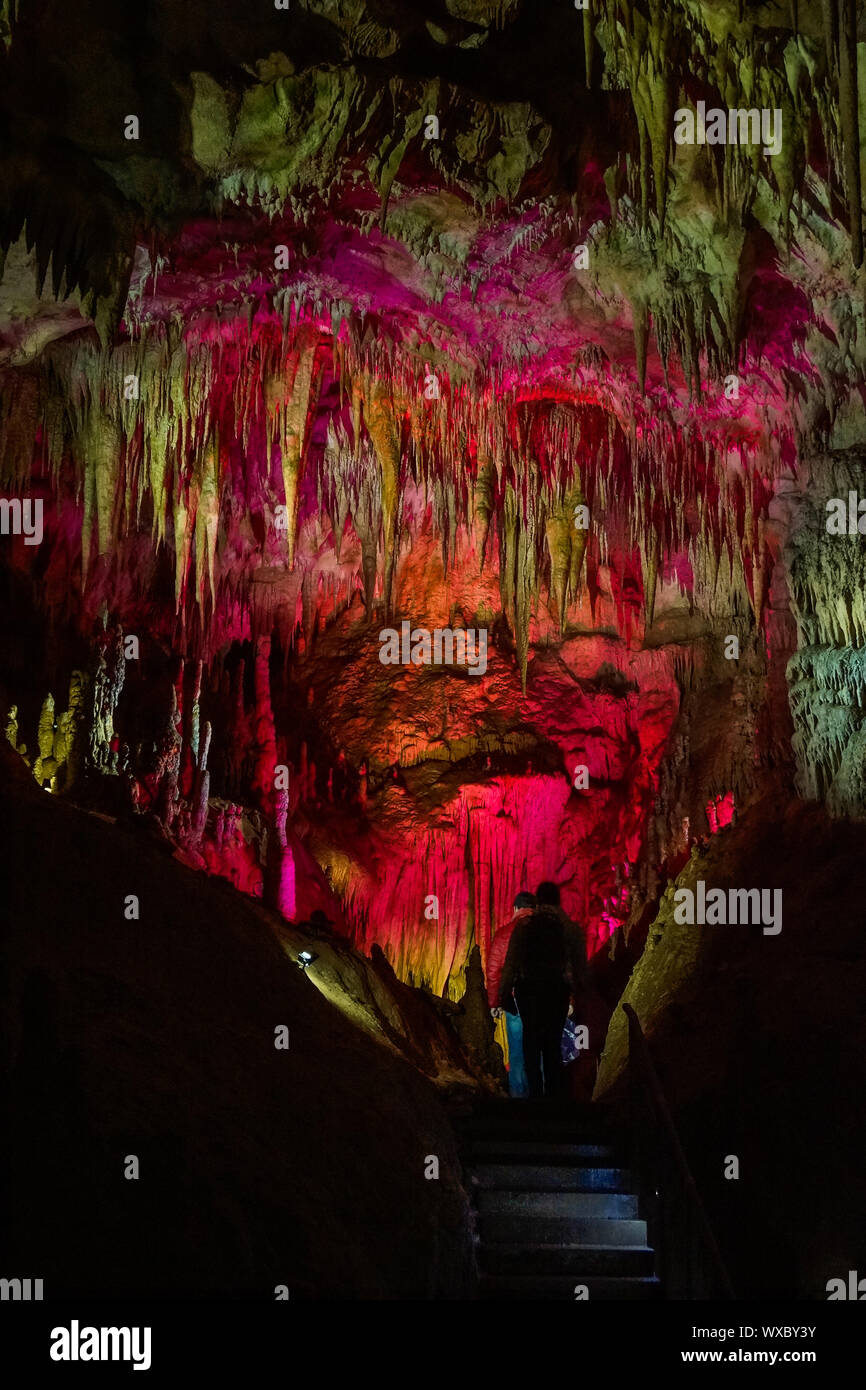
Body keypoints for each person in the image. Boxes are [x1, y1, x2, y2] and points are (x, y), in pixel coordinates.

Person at [500, 881, 587, 1099]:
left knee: (531, 1040)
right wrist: (581, 992)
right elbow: (580, 968)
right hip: (556, 991)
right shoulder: (570, 929)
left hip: (528, 990)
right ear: (558, 900)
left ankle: (535, 1095)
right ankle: (554, 1096)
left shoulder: (525, 926)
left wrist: (504, 993)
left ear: (538, 901)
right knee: (552, 1043)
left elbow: (511, 962)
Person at [486, 892, 535, 1098]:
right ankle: (542, 1101)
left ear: (515, 909)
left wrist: (494, 1002)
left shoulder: (504, 934)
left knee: (516, 1051)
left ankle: (518, 1099)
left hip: (515, 1000)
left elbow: (493, 971)